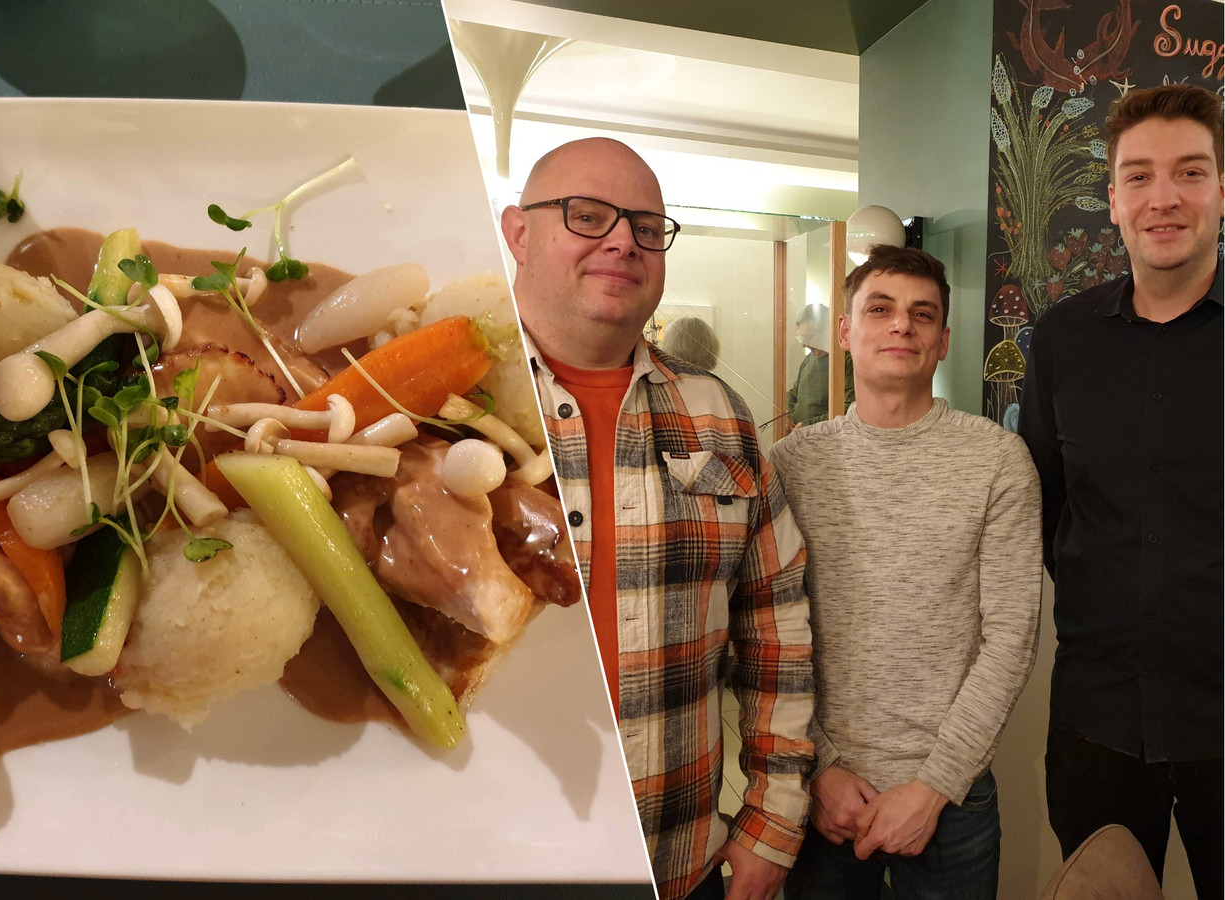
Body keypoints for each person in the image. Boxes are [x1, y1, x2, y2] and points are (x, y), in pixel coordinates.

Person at [499, 137, 814, 900]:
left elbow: (776, 623)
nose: (622, 241)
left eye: (646, 226)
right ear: (518, 232)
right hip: (496, 850)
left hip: (680, 862)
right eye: (588, 215)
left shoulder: (720, 417)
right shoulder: (462, 391)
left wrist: (774, 823)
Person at [771, 245, 1042, 899]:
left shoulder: (998, 461)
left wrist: (934, 786)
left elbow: (1010, 637)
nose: (902, 326)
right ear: (845, 330)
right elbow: (764, 637)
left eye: (922, 315)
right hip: (821, 795)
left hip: (952, 801)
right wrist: (820, 765)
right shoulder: (790, 464)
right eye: (881, 309)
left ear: (943, 340)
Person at [1018, 83, 1223, 897]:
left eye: (1190, 172)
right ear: (1111, 200)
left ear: (1220, 190)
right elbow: (1046, 505)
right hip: (1097, 720)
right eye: (1138, 176)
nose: (1163, 197)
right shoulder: (1062, 340)